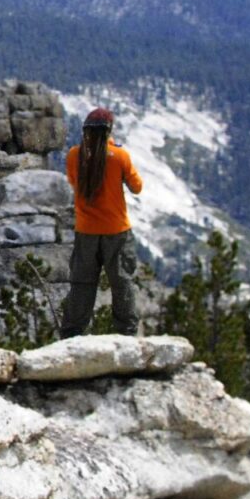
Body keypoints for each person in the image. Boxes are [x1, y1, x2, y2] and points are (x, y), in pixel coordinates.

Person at [61, 106, 143, 337]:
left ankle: (72, 335)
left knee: (82, 285)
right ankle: (126, 334)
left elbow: (73, 181)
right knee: (122, 283)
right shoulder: (120, 156)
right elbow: (137, 187)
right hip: (117, 231)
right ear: (109, 131)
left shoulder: (74, 155)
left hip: (86, 231)